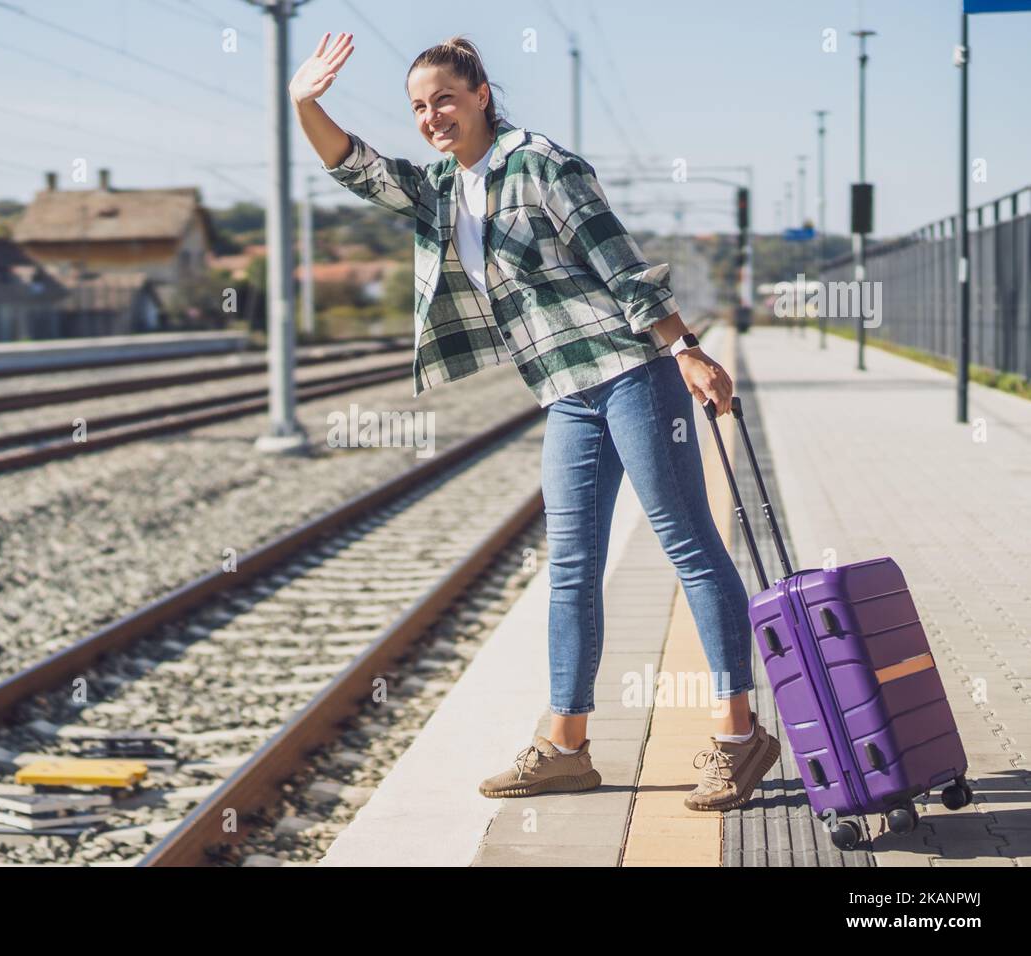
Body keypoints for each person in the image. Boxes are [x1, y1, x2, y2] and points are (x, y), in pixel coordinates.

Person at [290, 32, 779, 811]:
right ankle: (566, 747)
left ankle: (737, 734)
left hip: (630, 373)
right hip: (563, 392)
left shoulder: (541, 162)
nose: (432, 116)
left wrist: (685, 347)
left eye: (444, 98)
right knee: (573, 569)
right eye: (418, 108)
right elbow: (355, 168)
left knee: (687, 543)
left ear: (481, 93)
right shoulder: (443, 188)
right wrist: (303, 101)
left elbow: (618, 259)